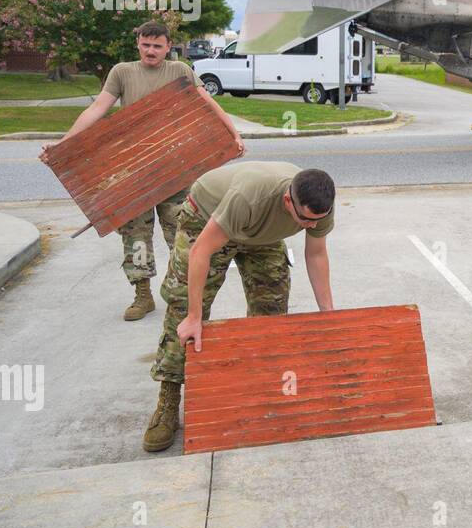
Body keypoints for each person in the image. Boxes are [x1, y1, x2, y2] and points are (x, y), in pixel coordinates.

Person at [40, 21, 244, 320]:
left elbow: (207, 103)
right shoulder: (122, 72)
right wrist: (62, 146)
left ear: (167, 46)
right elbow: (97, 109)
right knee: (135, 236)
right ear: (138, 44)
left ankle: (181, 293)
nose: (151, 50)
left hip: (176, 170)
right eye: (146, 45)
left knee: (181, 234)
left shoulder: (180, 71)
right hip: (132, 173)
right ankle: (142, 294)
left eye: (157, 45)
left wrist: (234, 135)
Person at [144, 162, 337, 452]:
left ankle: (260, 389)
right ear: (288, 201)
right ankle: (168, 402)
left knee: (272, 308)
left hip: (261, 235)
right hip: (208, 217)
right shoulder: (248, 198)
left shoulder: (320, 205)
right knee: (184, 309)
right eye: (305, 220)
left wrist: (328, 315)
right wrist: (195, 316)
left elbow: (317, 254)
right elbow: (201, 251)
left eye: (316, 220)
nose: (311, 225)